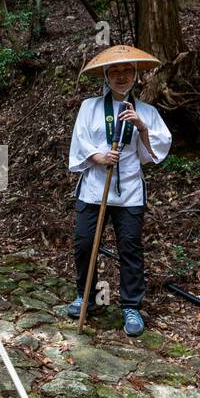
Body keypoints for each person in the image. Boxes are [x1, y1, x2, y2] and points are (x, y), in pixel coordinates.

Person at [66, 45, 172, 336]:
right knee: (85, 243)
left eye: (127, 71)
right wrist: (97, 157)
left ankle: (131, 306)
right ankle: (86, 296)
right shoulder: (90, 107)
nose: (121, 76)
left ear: (135, 75)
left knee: (129, 247)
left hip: (129, 190)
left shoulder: (146, 111)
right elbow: (80, 141)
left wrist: (142, 128)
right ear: (106, 76)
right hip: (94, 188)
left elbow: (156, 153)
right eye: (115, 71)